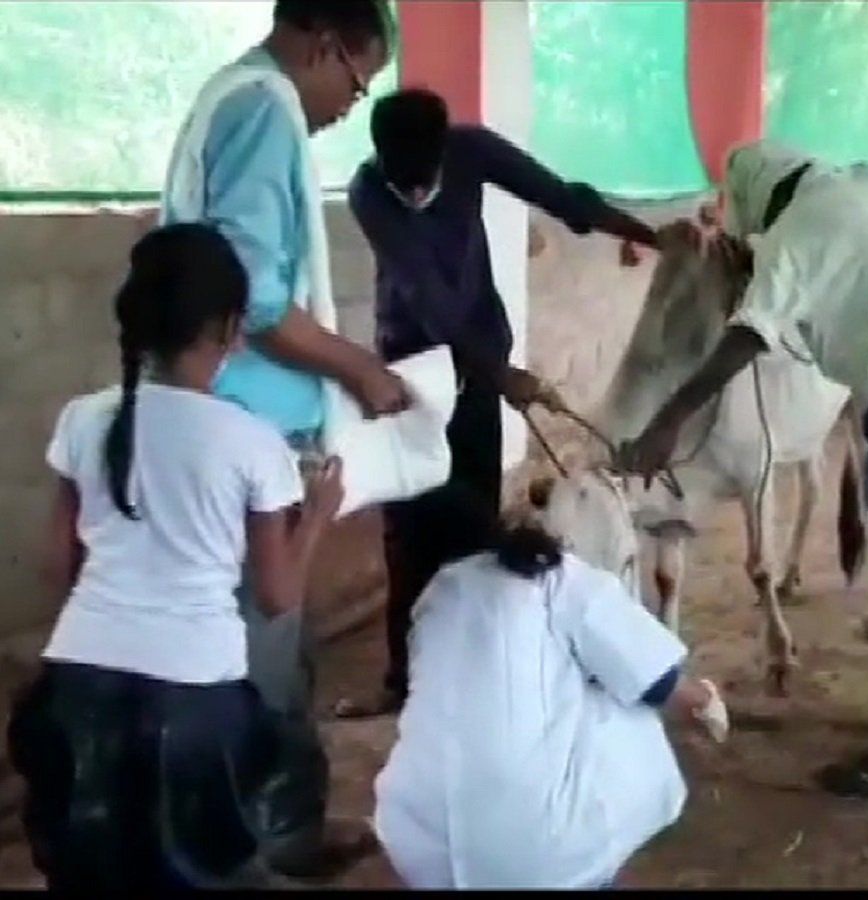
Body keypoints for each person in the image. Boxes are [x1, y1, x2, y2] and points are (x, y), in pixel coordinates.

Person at [619, 139, 868, 802]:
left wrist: (667, 422)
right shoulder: (867, 176)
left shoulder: (793, 238)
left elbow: (749, 334)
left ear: (754, 196)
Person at [6, 223, 345, 890]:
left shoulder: (83, 418)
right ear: (229, 328)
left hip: (75, 690)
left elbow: (57, 563)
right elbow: (278, 598)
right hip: (194, 703)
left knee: (93, 866)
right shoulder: (254, 443)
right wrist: (319, 517)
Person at [157, 0, 402, 874]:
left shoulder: (230, 96)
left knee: (263, 644)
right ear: (325, 45)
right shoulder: (265, 109)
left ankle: (271, 829)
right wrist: (357, 369)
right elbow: (253, 295)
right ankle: (259, 845)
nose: (350, 103)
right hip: (247, 437)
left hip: (225, 431)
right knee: (261, 644)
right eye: (357, 80)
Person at [336, 87, 664, 718]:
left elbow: (562, 198)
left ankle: (473, 667)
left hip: (481, 368)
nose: (414, 194)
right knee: (409, 529)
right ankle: (403, 680)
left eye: (423, 179)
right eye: (400, 181)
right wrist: (503, 374)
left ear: (443, 148)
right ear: (380, 161)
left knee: (476, 519)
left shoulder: (471, 150)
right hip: (412, 375)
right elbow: (425, 297)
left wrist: (647, 234)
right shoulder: (367, 192)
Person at [370, 483, 728, 890]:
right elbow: (656, 679)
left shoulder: (429, 605)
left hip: (418, 843)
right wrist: (704, 698)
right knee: (616, 695)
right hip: (543, 853)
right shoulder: (553, 576)